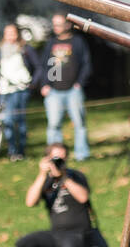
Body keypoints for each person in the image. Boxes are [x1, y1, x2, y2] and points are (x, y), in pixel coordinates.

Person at [15, 142, 109, 247]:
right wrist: (42, 174)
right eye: (56, 158)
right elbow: (30, 202)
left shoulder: (75, 176)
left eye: (63, 158)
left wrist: (64, 177)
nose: (60, 161)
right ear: (47, 159)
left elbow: (83, 197)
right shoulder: (46, 181)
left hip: (79, 234)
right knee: (24, 243)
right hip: (56, 235)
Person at [34, 13, 92, 161]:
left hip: (73, 90)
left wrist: (80, 83)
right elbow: (43, 66)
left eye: (59, 24)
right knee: (54, 125)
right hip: (54, 91)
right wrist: (45, 85)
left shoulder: (78, 42)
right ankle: (53, 155)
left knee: (79, 124)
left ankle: (82, 154)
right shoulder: (50, 43)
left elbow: (86, 64)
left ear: (67, 25)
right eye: (54, 24)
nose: (56, 27)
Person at [0, 24, 37, 161]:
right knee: (7, 120)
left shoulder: (25, 49)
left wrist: (32, 84)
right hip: (5, 90)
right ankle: (12, 150)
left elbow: (39, 67)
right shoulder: (1, 49)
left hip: (20, 90)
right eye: (7, 33)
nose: (10, 35)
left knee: (19, 121)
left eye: (12, 32)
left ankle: (21, 150)